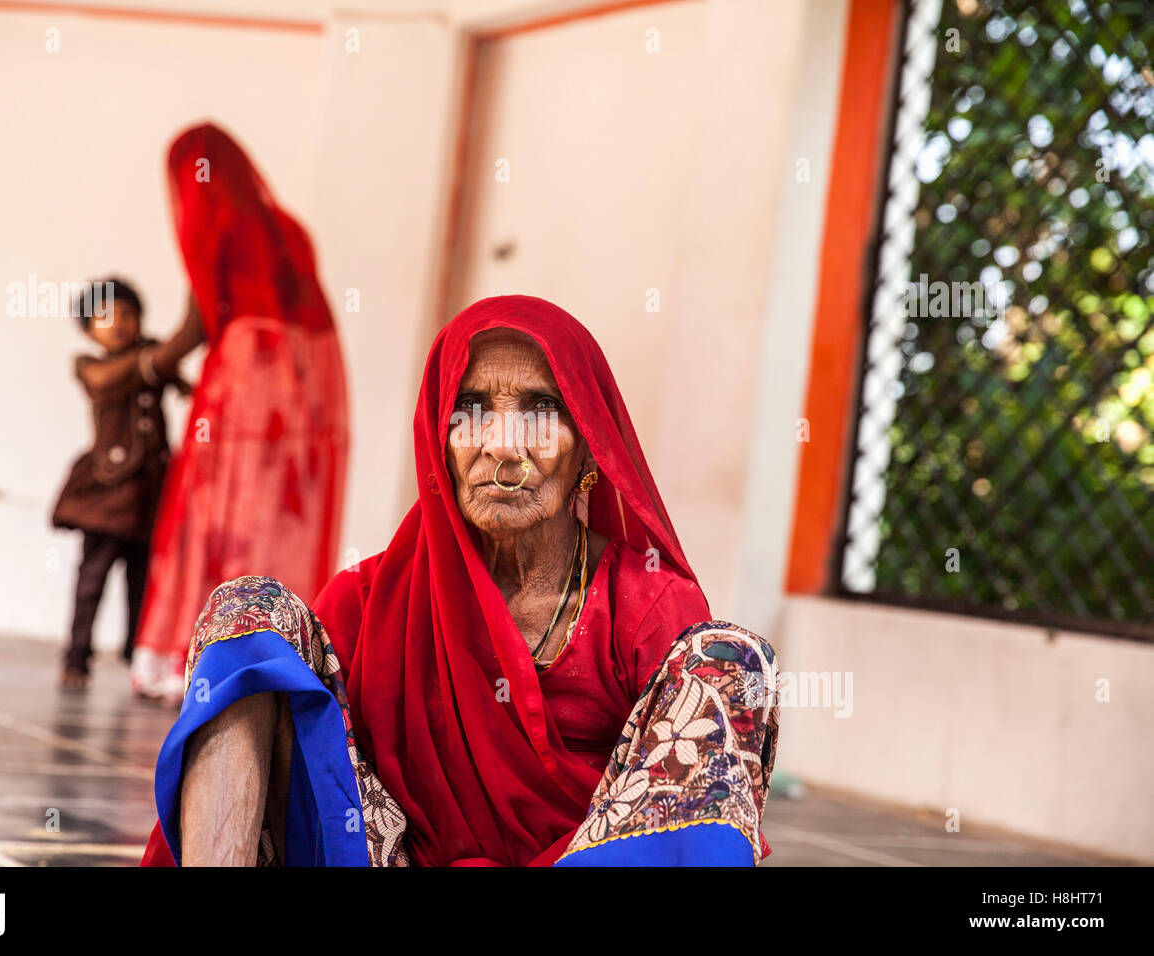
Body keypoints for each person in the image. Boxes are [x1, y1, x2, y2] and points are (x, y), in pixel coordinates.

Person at [141, 295, 780, 867]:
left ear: (589, 449)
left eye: (540, 412)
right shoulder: (371, 601)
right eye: (470, 410)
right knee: (247, 612)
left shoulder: (646, 603)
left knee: (731, 659)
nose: (503, 446)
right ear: (439, 441)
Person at [128, 123, 348, 704]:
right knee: (267, 516)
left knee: (215, 510)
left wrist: (146, 366)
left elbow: (200, 322)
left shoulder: (216, 221)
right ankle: (267, 649)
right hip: (297, 387)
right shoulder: (288, 229)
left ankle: (190, 656)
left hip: (246, 374)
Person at [51, 277, 200, 687]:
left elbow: (178, 379)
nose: (118, 323)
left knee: (142, 578)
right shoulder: (90, 365)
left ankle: (138, 651)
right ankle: (77, 655)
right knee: (92, 577)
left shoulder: (153, 356)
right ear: (87, 329)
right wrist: (162, 357)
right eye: (105, 316)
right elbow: (108, 380)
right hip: (108, 491)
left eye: (127, 314)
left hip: (150, 492)